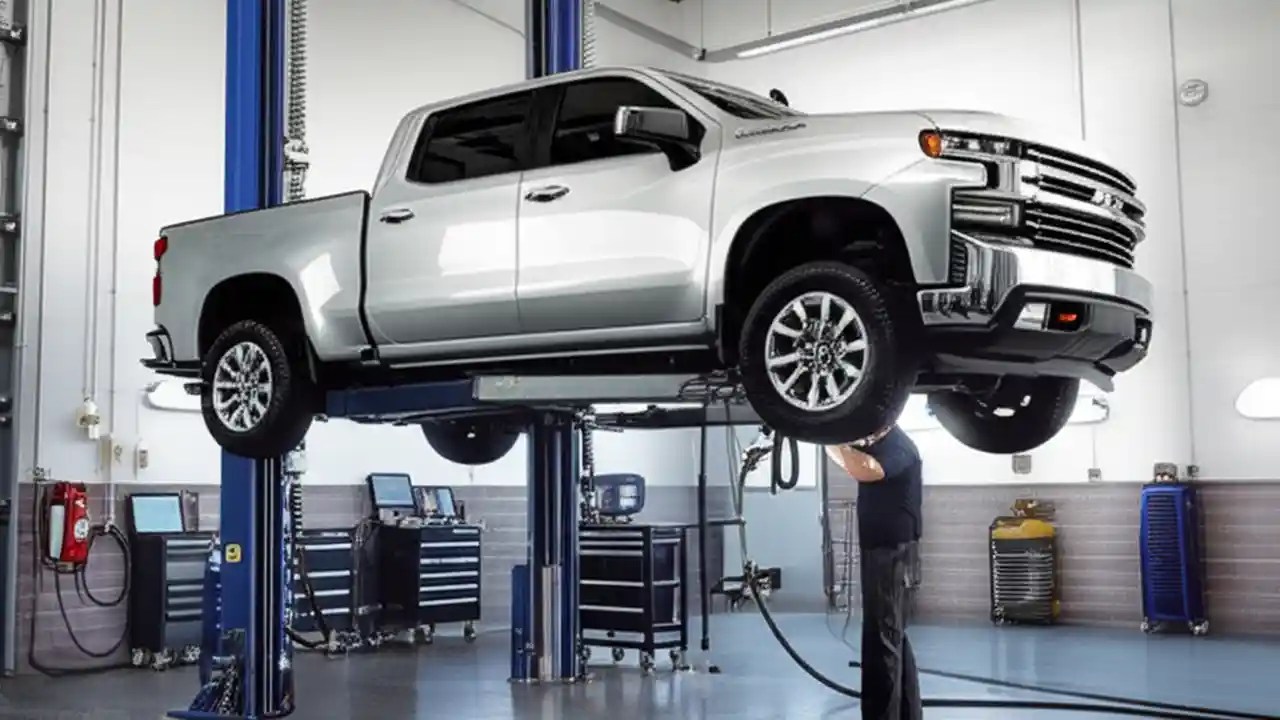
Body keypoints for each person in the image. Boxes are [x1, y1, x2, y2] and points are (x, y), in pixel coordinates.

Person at [826, 424, 923, 720]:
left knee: (881, 644)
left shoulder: (900, 447)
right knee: (892, 637)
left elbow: (868, 470)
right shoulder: (881, 444)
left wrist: (828, 438)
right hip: (885, 551)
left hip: (892, 555)